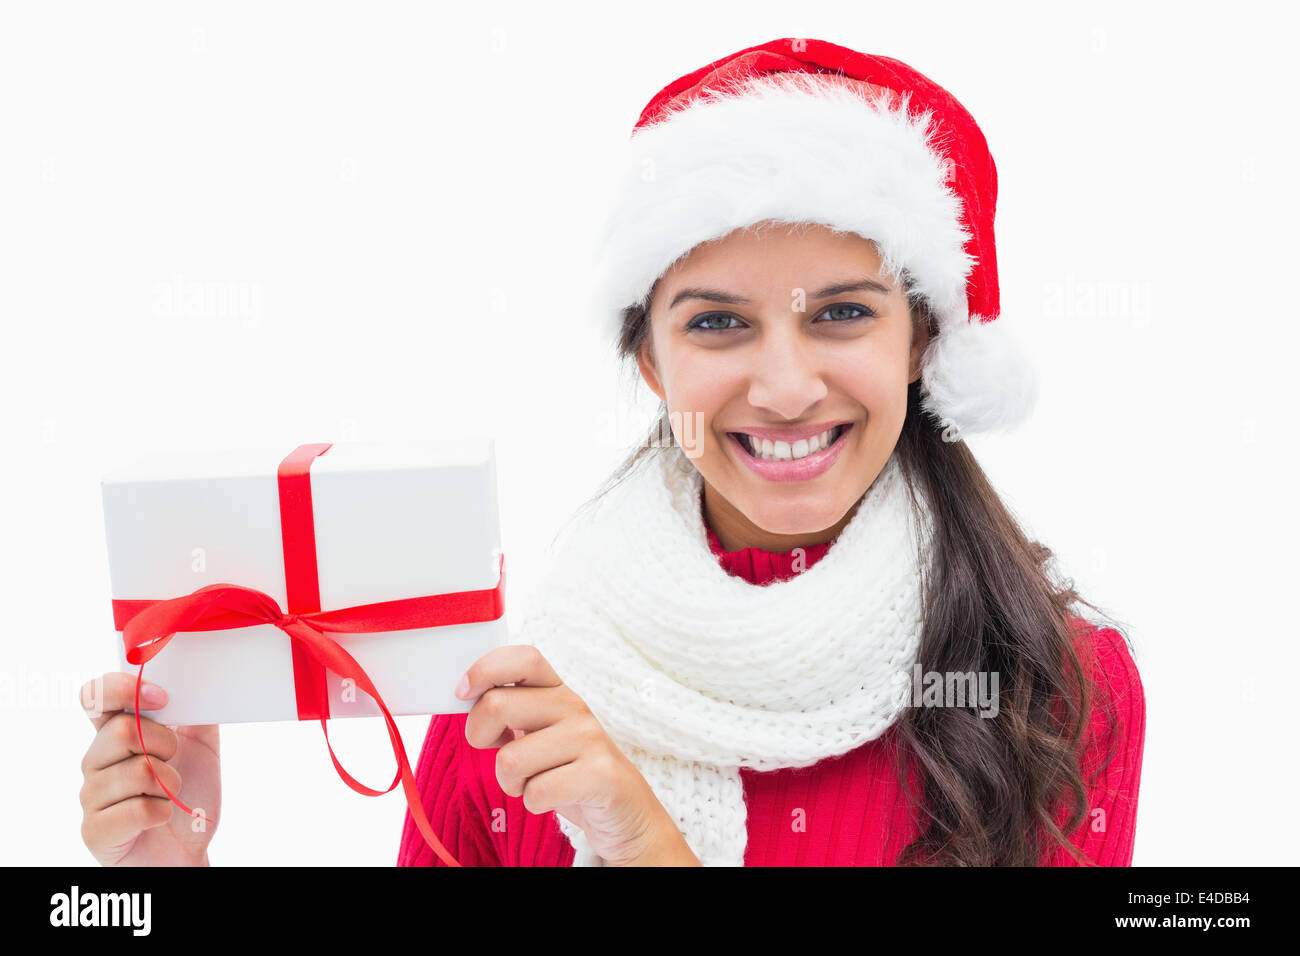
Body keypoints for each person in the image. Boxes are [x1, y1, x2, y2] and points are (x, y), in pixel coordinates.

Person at [80, 37, 1145, 868]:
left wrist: (644, 840)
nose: (781, 385)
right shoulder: (505, 696)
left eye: (841, 314)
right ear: (648, 361)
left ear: (922, 341)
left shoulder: (1058, 689)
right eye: (716, 323)